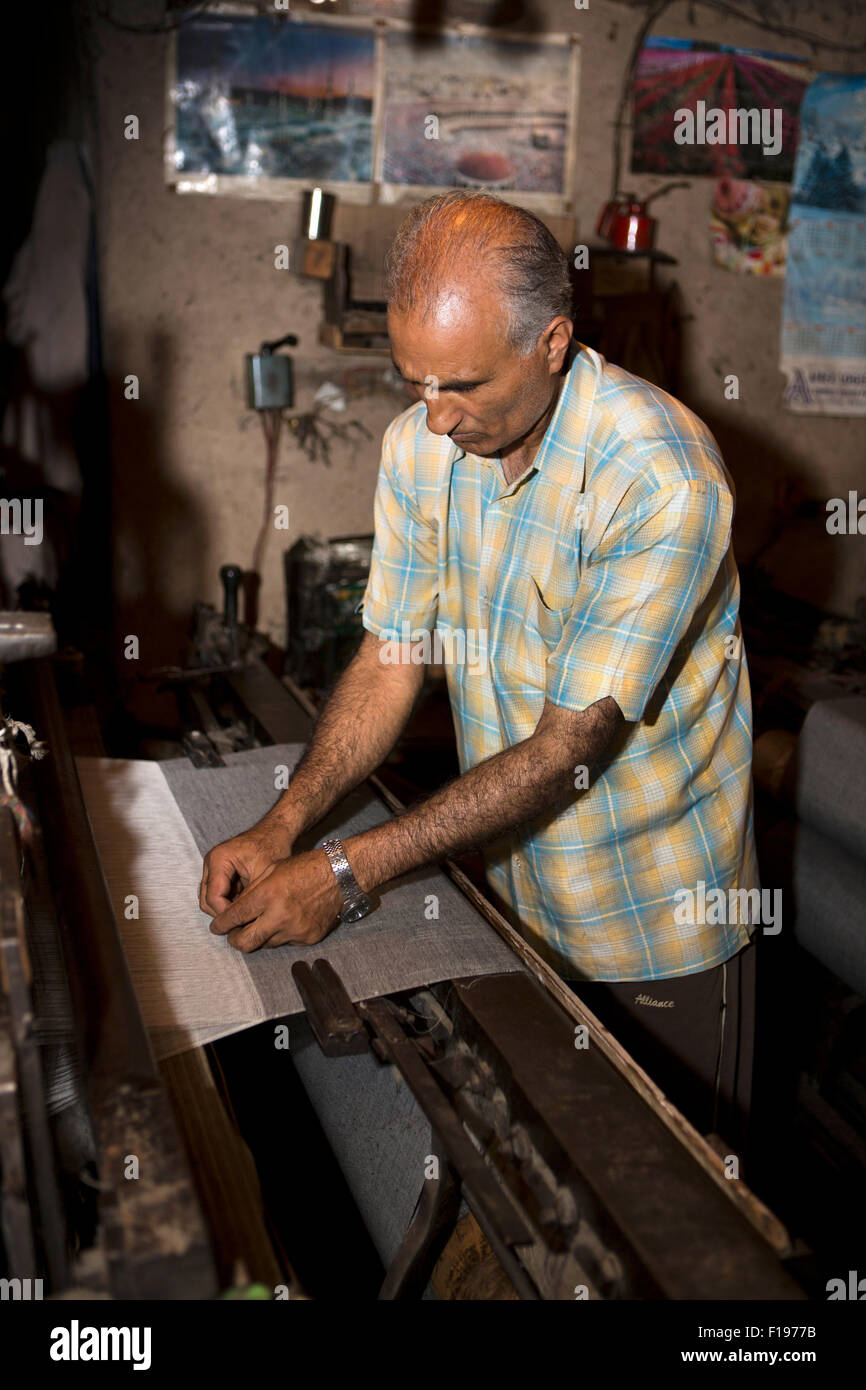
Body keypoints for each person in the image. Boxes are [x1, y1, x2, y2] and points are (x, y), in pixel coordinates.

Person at [199, 191, 759, 1151]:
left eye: (459, 385)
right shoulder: (421, 447)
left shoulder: (659, 476)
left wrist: (344, 871)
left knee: (669, 1207)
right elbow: (392, 655)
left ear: (551, 342)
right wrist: (285, 822)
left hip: (650, 919)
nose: (436, 417)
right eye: (413, 381)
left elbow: (566, 747)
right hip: (509, 899)